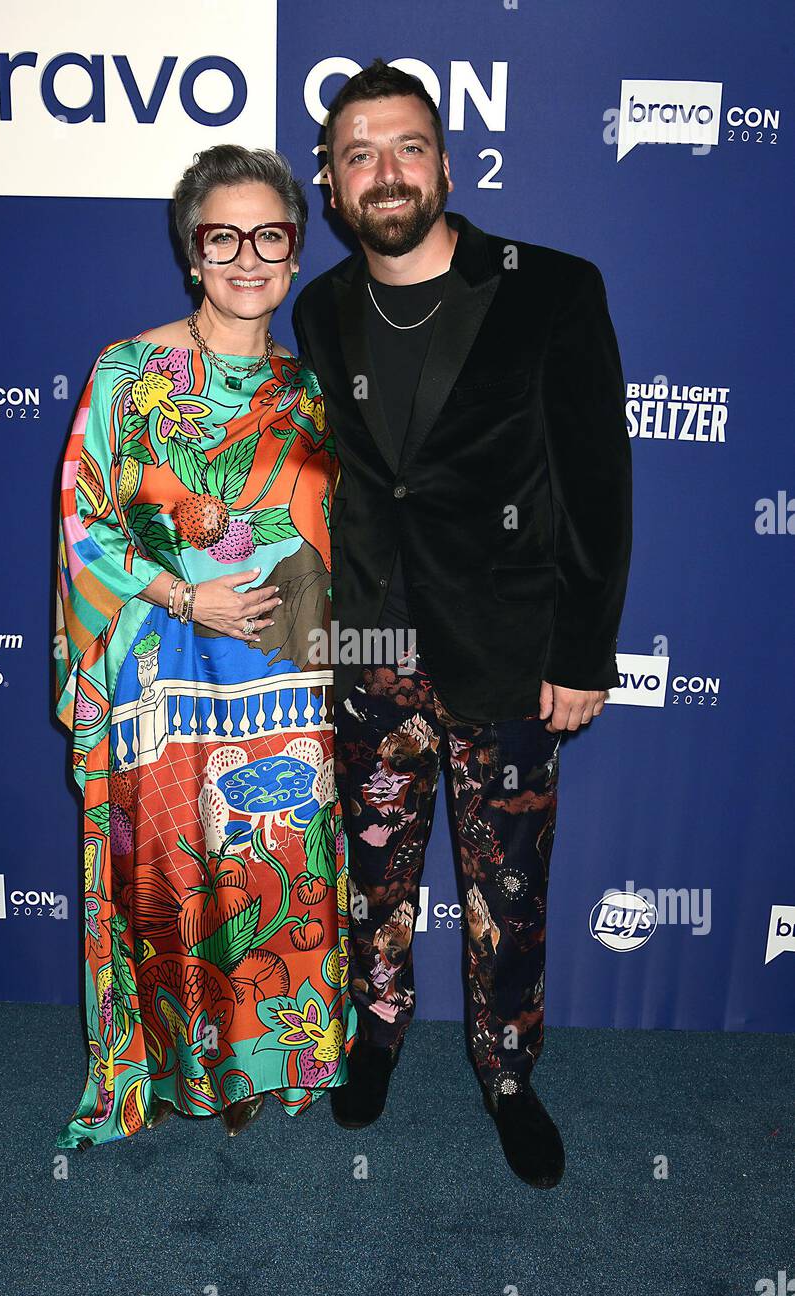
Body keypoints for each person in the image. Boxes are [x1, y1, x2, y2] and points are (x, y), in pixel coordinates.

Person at [292, 60, 632, 1189]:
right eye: (357, 155)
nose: (383, 173)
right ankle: (376, 1032)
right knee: (373, 874)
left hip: (507, 651)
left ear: (443, 162)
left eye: (404, 148)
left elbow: (595, 482)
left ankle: (505, 1071)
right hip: (369, 648)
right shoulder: (320, 310)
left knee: (508, 887)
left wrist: (583, 652)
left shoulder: (551, 289)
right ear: (332, 187)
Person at [54, 145, 355, 1150]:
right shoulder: (129, 373)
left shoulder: (315, 385)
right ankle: (184, 1068)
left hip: (286, 687)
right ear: (192, 253)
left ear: (295, 247)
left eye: (267, 234)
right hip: (165, 677)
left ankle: (277, 1060)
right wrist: (186, 595)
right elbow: (85, 519)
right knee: (177, 875)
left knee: (280, 871)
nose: (245, 256)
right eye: (220, 236)